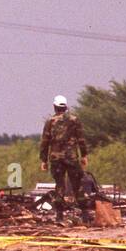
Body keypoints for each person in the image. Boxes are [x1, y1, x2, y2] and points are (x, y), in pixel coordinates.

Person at [39, 94, 88, 222]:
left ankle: (59, 216)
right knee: (77, 185)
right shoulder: (74, 120)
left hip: (56, 159)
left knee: (59, 185)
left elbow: (45, 142)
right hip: (71, 158)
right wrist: (84, 155)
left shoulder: (50, 122)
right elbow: (81, 139)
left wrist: (43, 160)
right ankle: (85, 215)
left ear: (54, 107)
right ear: (66, 107)